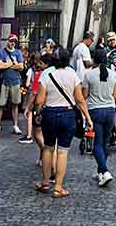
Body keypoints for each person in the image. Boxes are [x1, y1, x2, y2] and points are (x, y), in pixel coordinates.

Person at [34, 48, 92, 199]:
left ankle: (45, 182)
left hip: (49, 114)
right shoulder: (72, 74)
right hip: (68, 114)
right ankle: (58, 187)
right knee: (62, 151)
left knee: (48, 148)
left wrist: (38, 113)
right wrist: (88, 117)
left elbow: (39, 100)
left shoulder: (46, 74)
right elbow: (79, 99)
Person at [82, 47, 116, 187]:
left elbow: (84, 95)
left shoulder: (89, 75)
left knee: (96, 144)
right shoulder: (113, 74)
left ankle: (105, 171)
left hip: (95, 111)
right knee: (104, 142)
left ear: (94, 60)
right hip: (110, 110)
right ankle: (100, 172)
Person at [0, 34, 24, 135]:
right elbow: (0, 66)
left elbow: (21, 67)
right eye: (11, 41)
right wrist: (13, 64)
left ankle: (15, 125)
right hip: (4, 81)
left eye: (15, 41)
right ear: (8, 40)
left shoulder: (18, 52)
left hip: (15, 81)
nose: (12, 43)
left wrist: (7, 65)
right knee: (0, 104)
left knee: (15, 104)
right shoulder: (1, 52)